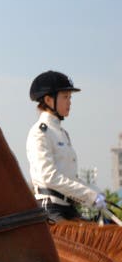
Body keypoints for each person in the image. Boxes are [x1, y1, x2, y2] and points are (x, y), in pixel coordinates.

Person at [26, 70, 105, 222]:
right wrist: (90, 196)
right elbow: (49, 177)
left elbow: (71, 178)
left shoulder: (61, 133)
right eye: (65, 97)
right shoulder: (39, 132)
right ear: (49, 100)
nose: (69, 102)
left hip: (68, 208)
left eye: (70, 97)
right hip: (50, 208)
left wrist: (97, 194)